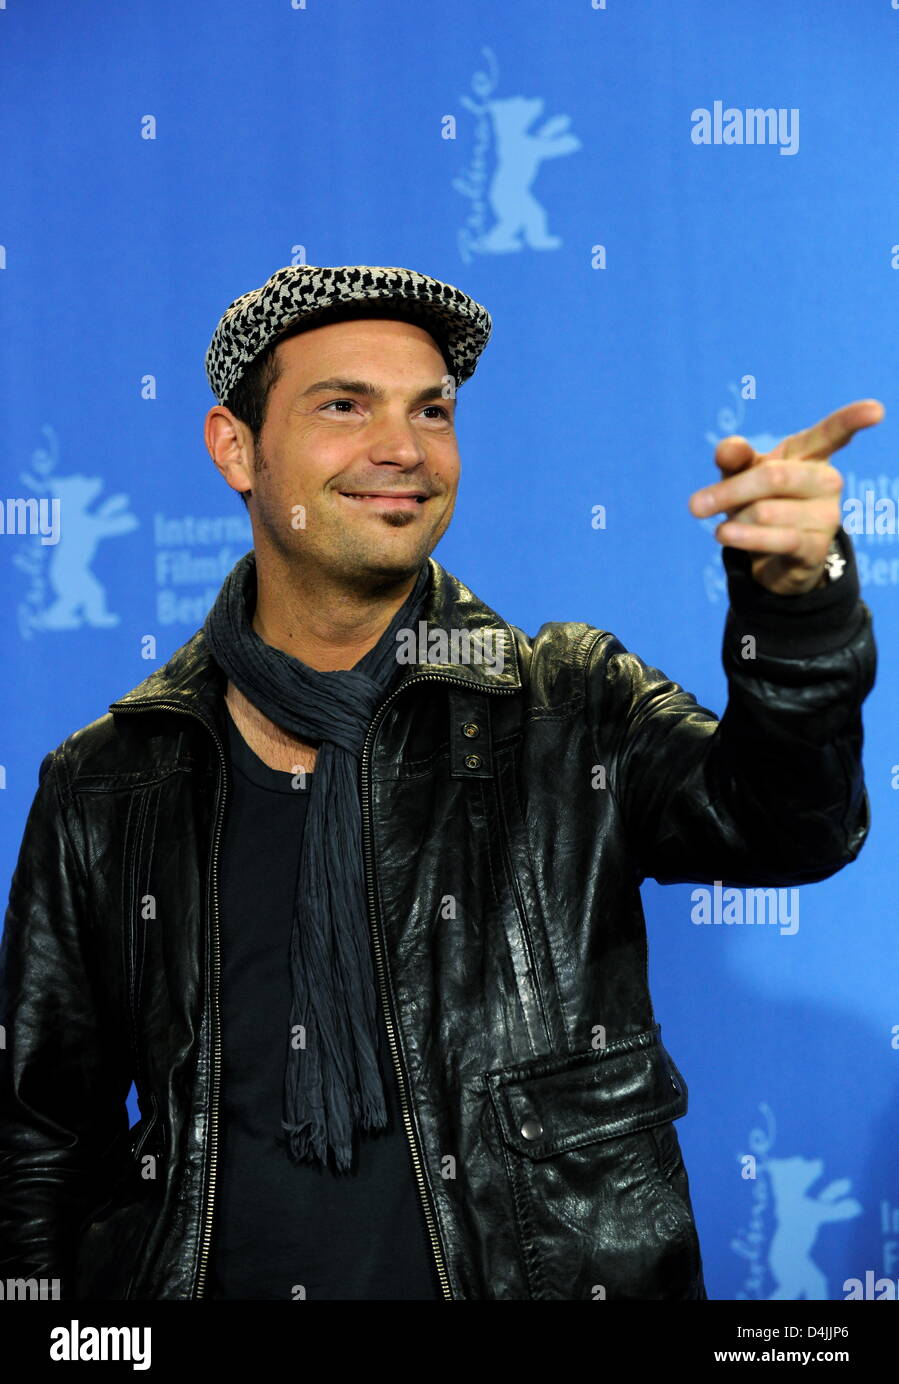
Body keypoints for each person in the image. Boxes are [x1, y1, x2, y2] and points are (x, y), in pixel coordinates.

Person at [0, 264, 880, 1301]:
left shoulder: (566, 704)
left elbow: (785, 824)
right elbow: (38, 1144)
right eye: (343, 405)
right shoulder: (108, 780)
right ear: (234, 447)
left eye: (432, 411)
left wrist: (796, 618)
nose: (403, 450)